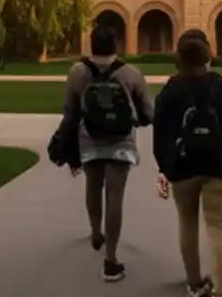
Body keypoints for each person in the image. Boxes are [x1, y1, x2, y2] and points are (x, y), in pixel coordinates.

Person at [153, 29, 222, 297]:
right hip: (218, 166)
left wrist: (163, 168)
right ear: (208, 55)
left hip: (182, 168)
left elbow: (160, 133)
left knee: (187, 223)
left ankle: (195, 283)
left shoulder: (171, 89)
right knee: (219, 229)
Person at [61, 24, 152, 282]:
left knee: (92, 186)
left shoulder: (77, 72)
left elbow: (69, 110)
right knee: (115, 196)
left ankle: (94, 231)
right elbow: (148, 111)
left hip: (89, 139)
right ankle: (111, 259)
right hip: (121, 142)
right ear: (116, 45)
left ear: (92, 44)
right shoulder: (131, 73)